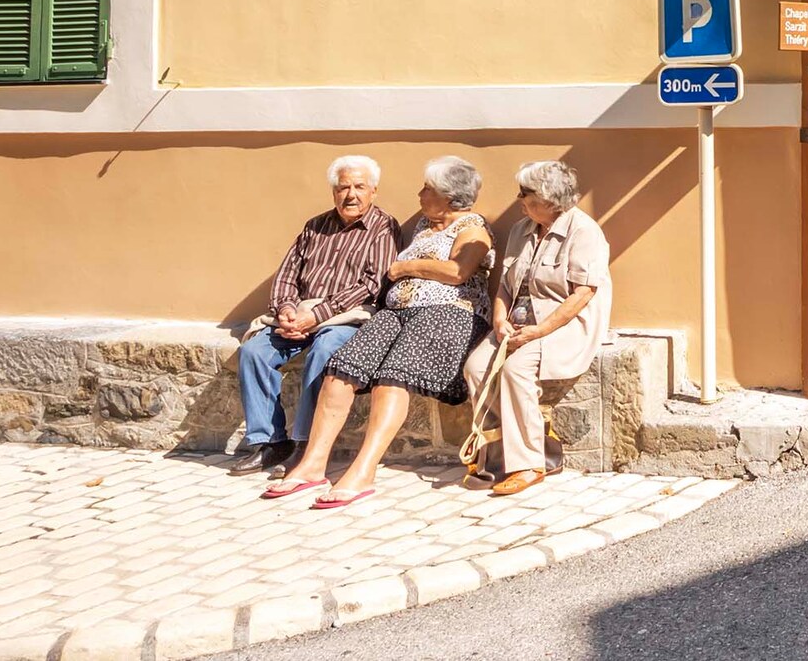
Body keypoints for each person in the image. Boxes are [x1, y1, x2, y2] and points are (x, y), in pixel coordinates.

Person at [264, 156, 494, 509]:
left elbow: (458, 271)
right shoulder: (423, 226)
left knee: (392, 378)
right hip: (398, 313)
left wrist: (405, 267)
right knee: (341, 370)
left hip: (448, 315)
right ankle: (312, 464)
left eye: (427, 189)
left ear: (449, 196)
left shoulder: (473, 228)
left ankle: (363, 471)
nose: (419, 194)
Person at [231, 155, 398, 475]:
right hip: (302, 311)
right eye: (343, 187)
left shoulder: (383, 227)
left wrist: (318, 315)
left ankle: (306, 444)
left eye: (360, 187)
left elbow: (371, 284)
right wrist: (287, 311)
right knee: (254, 351)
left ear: (374, 191)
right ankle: (269, 442)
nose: (351, 194)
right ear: (333, 192)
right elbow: (287, 276)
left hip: (348, 315)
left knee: (324, 350)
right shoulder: (314, 226)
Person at [463, 160, 612, 495]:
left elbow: (583, 294)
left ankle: (529, 463)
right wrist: (499, 320)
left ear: (551, 200)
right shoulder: (521, 229)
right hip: (518, 322)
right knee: (475, 368)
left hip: (566, 323)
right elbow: (504, 285)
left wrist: (539, 331)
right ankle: (496, 457)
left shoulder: (584, 231)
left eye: (526, 195)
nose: (520, 200)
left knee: (516, 369)